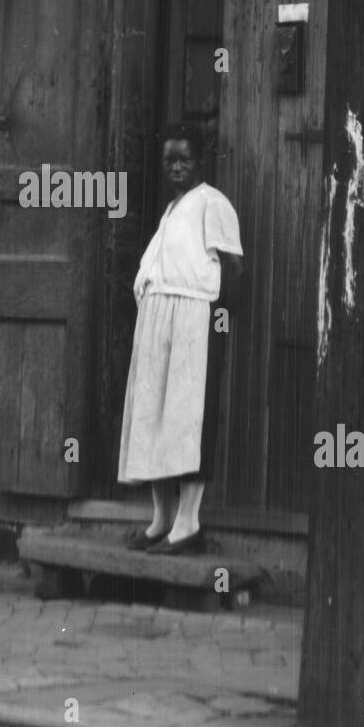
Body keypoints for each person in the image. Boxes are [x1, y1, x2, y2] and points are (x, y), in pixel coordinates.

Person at [117, 122, 243, 554]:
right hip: (157, 321)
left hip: (193, 322)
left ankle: (188, 524)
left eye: (184, 160)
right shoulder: (171, 211)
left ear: (199, 162)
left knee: (188, 420)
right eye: (169, 160)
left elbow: (233, 270)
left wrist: (216, 326)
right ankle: (161, 519)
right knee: (154, 416)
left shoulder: (212, 203)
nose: (175, 167)